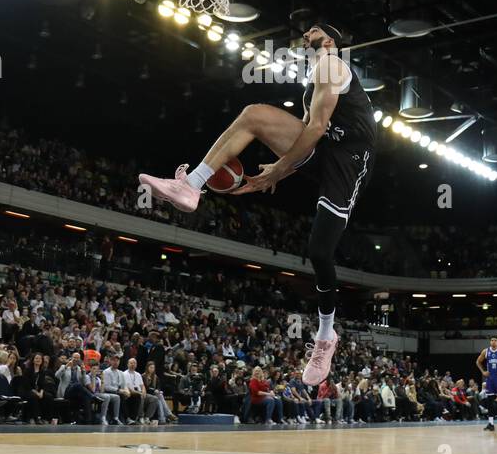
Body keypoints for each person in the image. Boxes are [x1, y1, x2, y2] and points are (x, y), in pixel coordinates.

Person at [139, 23, 376, 386]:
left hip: (350, 159)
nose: (307, 29)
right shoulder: (314, 71)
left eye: (316, 28)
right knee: (252, 115)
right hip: (323, 149)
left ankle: (326, 334)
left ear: (329, 40)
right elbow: (310, 129)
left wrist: (279, 170)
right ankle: (192, 185)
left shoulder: (332, 63)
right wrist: (284, 165)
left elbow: (315, 129)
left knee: (320, 251)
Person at [477, 336, 497, 432]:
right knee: (490, 403)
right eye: (491, 340)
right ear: (490, 342)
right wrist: (483, 371)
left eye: (495, 340)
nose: (493, 342)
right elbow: (478, 362)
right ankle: (490, 424)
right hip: (490, 379)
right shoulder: (485, 351)